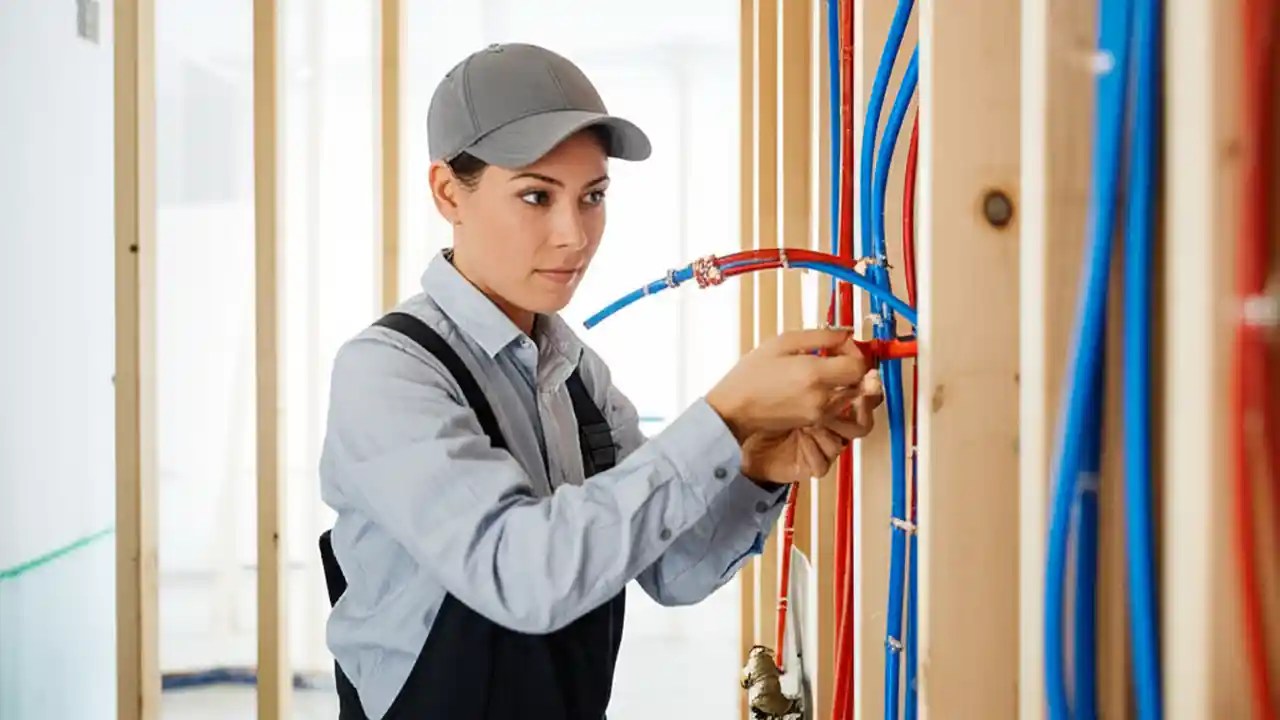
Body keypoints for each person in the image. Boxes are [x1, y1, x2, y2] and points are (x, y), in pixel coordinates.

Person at [319, 42, 884, 720]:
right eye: (536, 195)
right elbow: (519, 575)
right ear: (448, 193)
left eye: (592, 197)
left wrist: (758, 468)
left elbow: (677, 570)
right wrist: (725, 416)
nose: (574, 235)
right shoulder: (388, 373)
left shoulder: (576, 374)